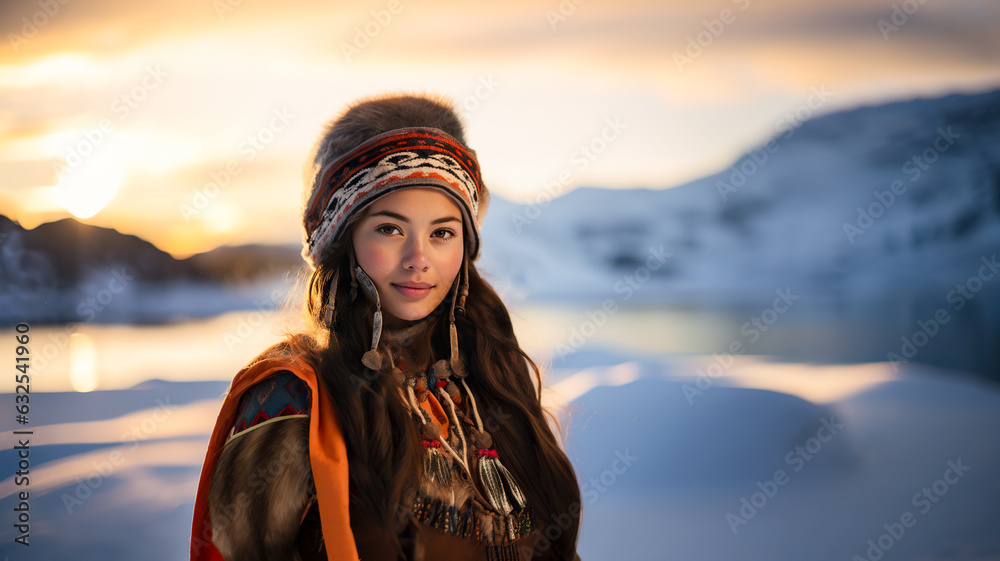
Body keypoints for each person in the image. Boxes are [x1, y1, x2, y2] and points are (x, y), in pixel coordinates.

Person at [190, 94, 582, 561]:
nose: (418, 258)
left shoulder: (494, 380)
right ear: (343, 239)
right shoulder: (296, 398)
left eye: (442, 233)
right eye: (390, 229)